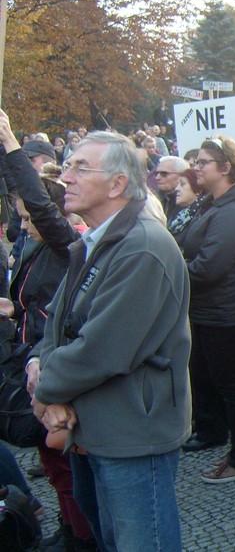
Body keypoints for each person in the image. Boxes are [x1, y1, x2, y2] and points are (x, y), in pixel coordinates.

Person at [29, 131, 189, 550]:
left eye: (81, 168)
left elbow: (104, 349)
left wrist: (45, 390)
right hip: (96, 426)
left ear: (118, 184)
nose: (66, 177)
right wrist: (41, 367)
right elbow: (59, 320)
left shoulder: (143, 247)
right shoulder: (97, 241)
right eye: (67, 165)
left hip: (133, 432)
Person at [0, 111, 96, 551]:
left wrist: (12, 147)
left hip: (54, 361)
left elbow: (38, 202)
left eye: (26, 217)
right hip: (32, 359)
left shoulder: (65, 242)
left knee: (68, 461)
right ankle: (71, 526)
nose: (22, 224)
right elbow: (33, 299)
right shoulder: (36, 248)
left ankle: (84, 536)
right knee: (54, 463)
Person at [177, 135, 235, 483]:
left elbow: (207, 268)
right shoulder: (215, 204)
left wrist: (170, 269)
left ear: (225, 168)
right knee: (220, 382)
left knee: (234, 387)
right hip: (215, 309)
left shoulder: (233, 212)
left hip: (231, 312)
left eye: (202, 162)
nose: (195, 167)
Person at [153, 155, 188, 224]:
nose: (157, 177)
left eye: (164, 173)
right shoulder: (153, 200)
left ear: (181, 175)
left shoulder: (189, 203)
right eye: (156, 173)